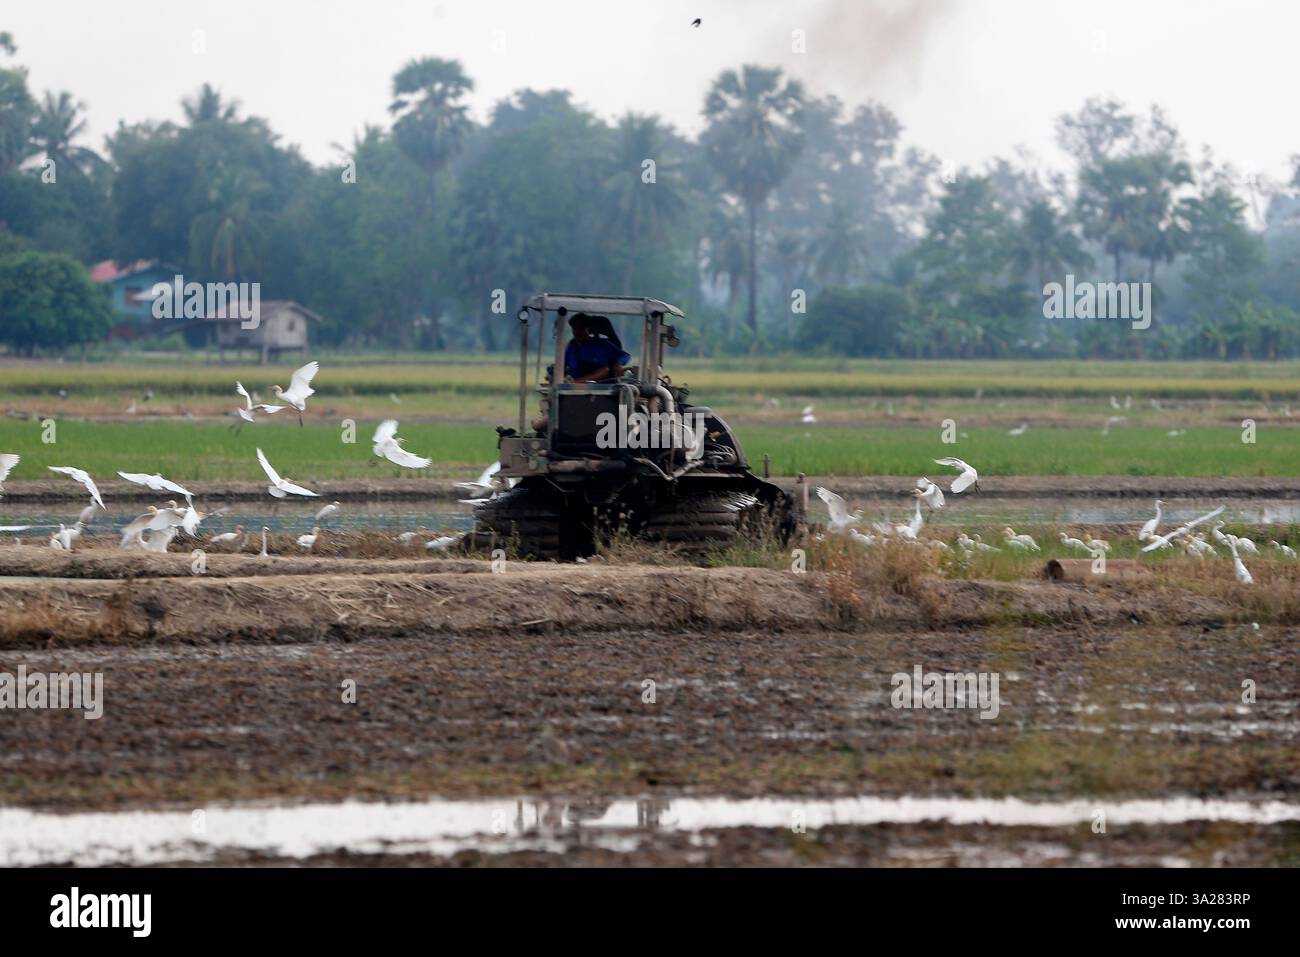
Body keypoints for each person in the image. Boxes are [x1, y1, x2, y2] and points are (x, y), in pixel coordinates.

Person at [564, 313, 631, 383]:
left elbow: (624, 356)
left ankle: (577, 382)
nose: (577, 332)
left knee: (605, 369)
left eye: (580, 328)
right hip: (573, 382)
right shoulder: (571, 347)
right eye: (575, 328)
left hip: (598, 382)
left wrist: (617, 364)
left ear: (587, 329)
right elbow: (563, 364)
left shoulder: (602, 345)